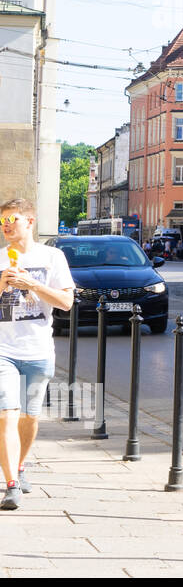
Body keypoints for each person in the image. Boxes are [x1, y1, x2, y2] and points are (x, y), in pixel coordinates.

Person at [0, 199, 74, 510]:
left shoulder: (52, 257)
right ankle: (11, 486)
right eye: (2, 220)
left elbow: (66, 302)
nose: (6, 226)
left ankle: (20, 466)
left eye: (11, 219)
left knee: (29, 417)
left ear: (29, 221)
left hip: (39, 349)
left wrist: (31, 284)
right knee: (7, 415)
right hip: (3, 350)